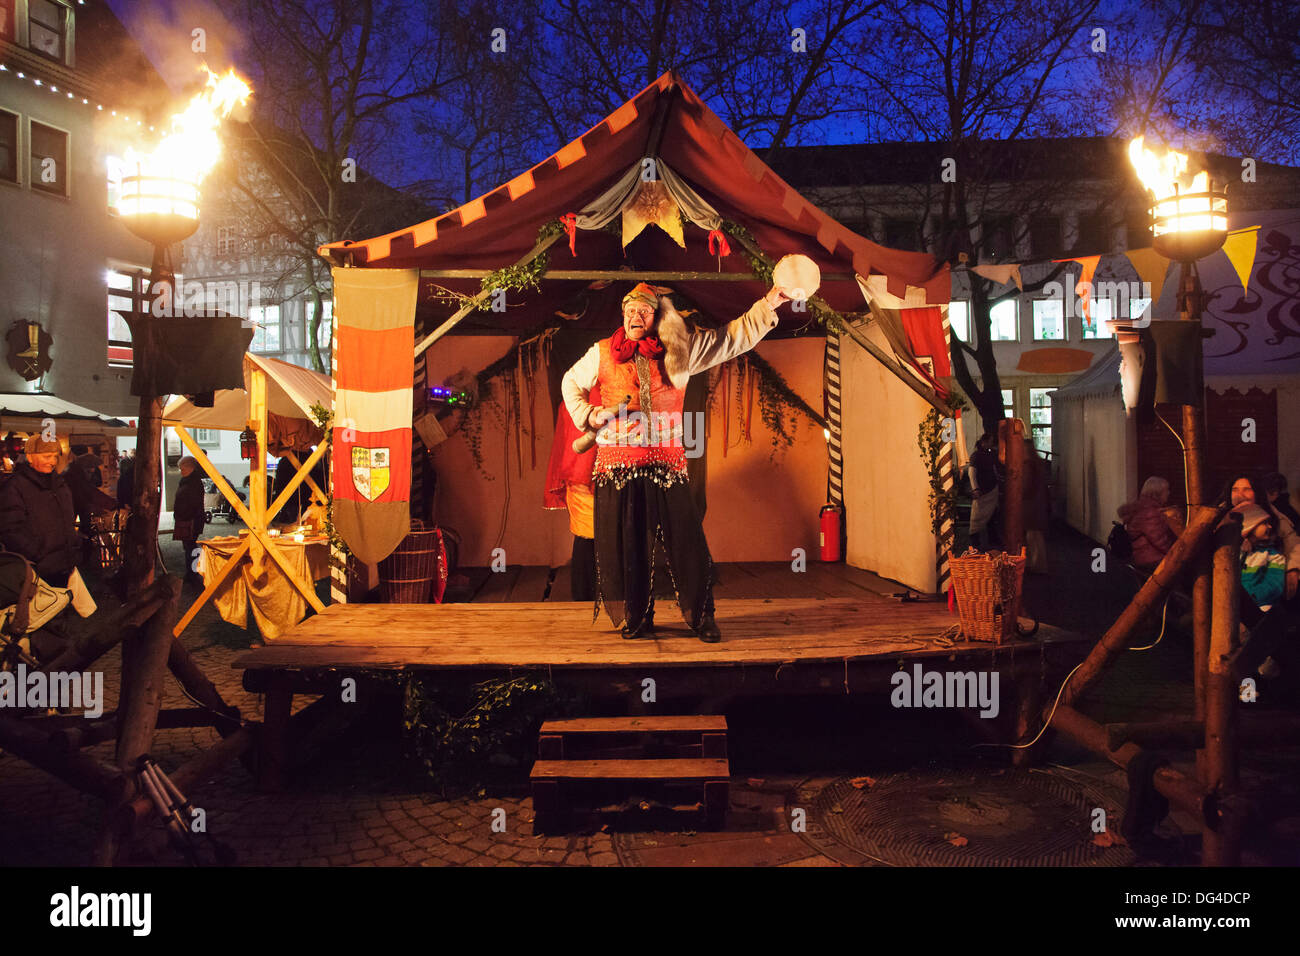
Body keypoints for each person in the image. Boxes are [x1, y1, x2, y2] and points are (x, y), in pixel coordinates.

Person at [561, 281, 790, 641]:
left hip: (667, 463)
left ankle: (702, 616)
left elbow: (730, 339)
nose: (635, 316)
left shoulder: (681, 349)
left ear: (657, 316)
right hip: (617, 465)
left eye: (643, 311)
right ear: (622, 313)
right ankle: (638, 617)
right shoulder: (602, 352)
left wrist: (769, 303)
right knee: (630, 543)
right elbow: (570, 381)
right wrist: (588, 415)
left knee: (687, 543)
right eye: (630, 310)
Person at [1229, 473, 1300, 603]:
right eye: (1235, 490)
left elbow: (1293, 543)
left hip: (1262, 584)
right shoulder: (1222, 516)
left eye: (1246, 489)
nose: (1240, 494)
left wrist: (1293, 568)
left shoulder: (1272, 516)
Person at [1117, 476, 1181, 570]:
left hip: (1141, 556)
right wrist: (1178, 552)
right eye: (1166, 490)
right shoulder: (1150, 512)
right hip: (1152, 559)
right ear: (1158, 493)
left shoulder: (1142, 507)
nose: (1168, 493)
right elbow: (1160, 541)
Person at [172, 457, 207, 586]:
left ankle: (193, 573)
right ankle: (191, 572)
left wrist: (184, 516)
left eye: (182, 468)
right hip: (187, 519)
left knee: (190, 546)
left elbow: (193, 503)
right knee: (188, 546)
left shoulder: (193, 483)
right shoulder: (187, 481)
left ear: (189, 468)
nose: (180, 471)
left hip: (191, 520)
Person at [967, 432, 1002, 550]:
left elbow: (993, 469)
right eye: (990, 441)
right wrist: (975, 488)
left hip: (991, 488)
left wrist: (998, 478)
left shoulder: (990, 455)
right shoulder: (976, 456)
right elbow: (972, 472)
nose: (992, 443)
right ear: (984, 442)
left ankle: (992, 538)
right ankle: (975, 539)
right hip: (982, 490)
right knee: (977, 516)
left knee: (992, 514)